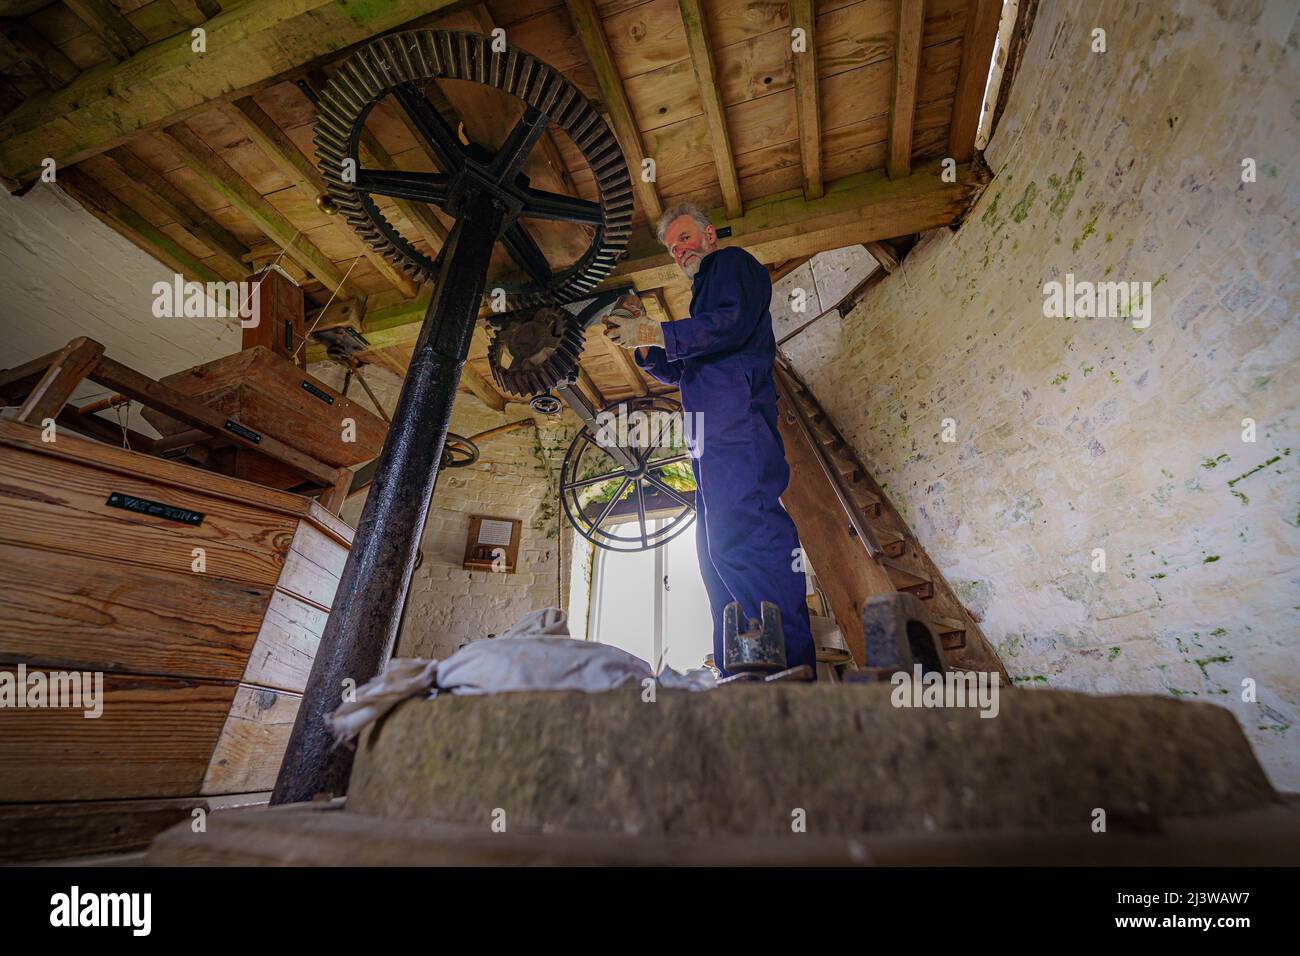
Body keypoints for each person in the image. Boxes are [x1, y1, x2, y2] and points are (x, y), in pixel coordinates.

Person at [605, 203, 815, 679]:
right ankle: (736, 670)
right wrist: (644, 347)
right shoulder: (703, 305)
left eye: (684, 238)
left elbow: (732, 320)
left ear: (709, 237)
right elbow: (685, 366)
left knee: (746, 534)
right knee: (714, 551)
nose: (679, 251)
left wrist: (658, 330)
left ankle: (787, 669)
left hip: (734, 423)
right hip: (708, 435)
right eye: (672, 247)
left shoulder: (731, 264)